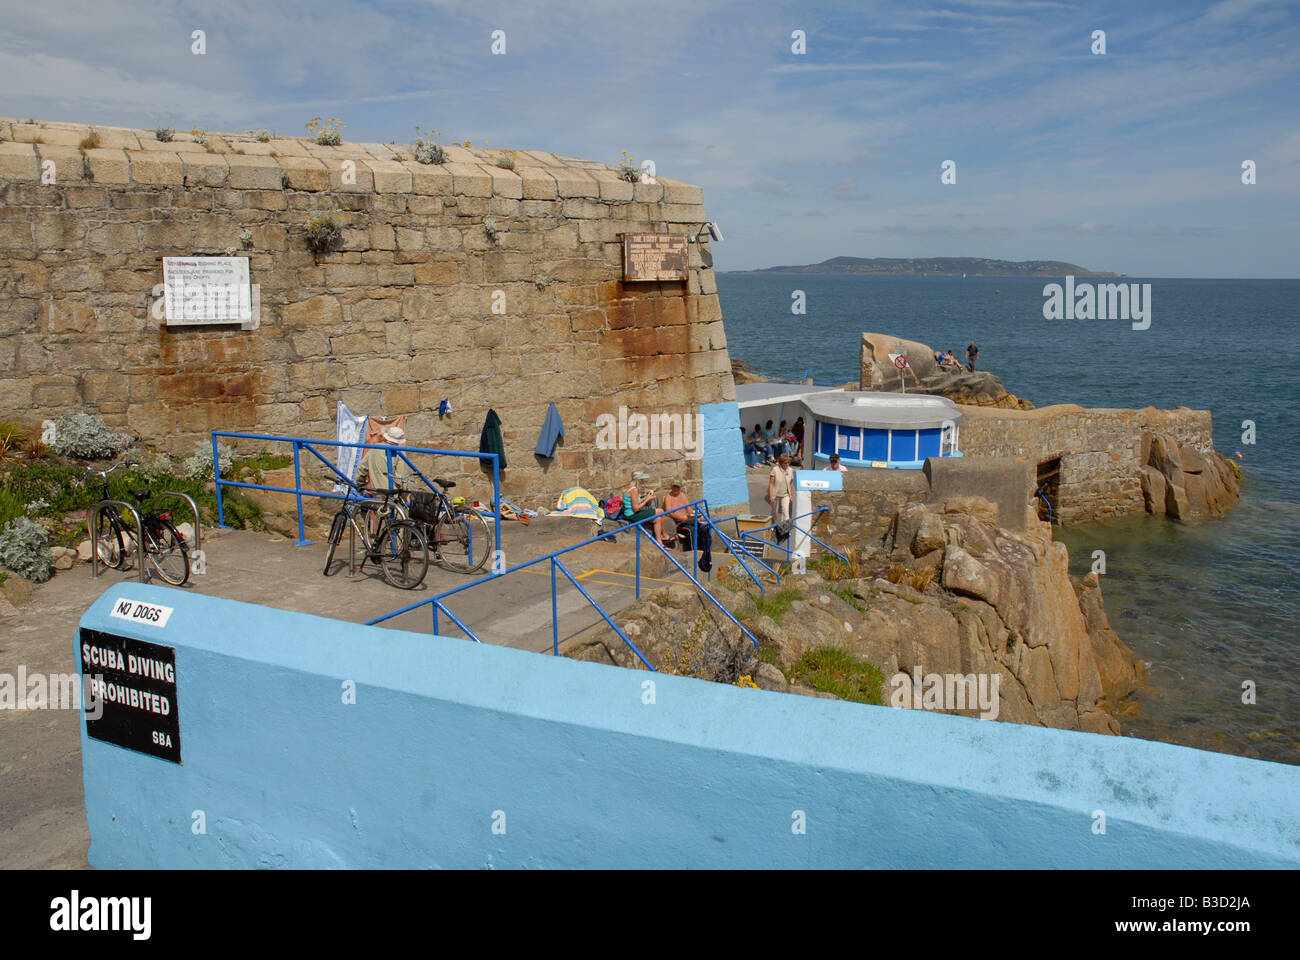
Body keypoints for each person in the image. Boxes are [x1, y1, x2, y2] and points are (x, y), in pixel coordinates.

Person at [653, 478, 694, 546]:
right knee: (691, 530)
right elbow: (669, 512)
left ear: (680, 487)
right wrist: (681, 518)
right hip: (678, 523)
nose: (676, 488)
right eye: (674, 486)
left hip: (687, 520)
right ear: (671, 487)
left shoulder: (683, 495)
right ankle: (692, 551)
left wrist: (694, 513)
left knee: (703, 528)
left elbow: (688, 508)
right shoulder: (668, 497)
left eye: (677, 487)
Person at [767, 453, 795, 523]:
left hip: (785, 495)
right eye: (785, 463)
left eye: (788, 463)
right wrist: (771, 496)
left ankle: (784, 530)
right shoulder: (775, 470)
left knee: (786, 514)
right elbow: (771, 484)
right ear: (780, 463)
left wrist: (791, 495)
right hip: (775, 495)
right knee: (774, 514)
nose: (787, 464)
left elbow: (791, 484)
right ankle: (773, 528)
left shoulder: (790, 470)